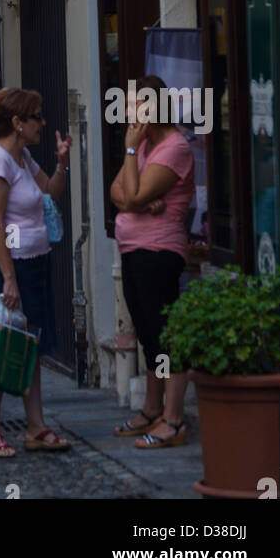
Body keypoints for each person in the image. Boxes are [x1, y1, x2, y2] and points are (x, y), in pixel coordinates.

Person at [0, 87, 73, 457]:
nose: (42, 122)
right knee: (1, 348)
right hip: (11, 267)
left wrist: (62, 161)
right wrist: (8, 278)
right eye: (36, 116)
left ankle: (35, 426)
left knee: (29, 346)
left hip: (36, 262)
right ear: (17, 123)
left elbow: (50, 192)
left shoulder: (23, 157)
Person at [110, 75, 195, 449]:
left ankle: (173, 420)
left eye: (134, 105)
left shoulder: (173, 147)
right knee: (147, 334)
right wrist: (138, 197)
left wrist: (131, 158)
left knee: (164, 334)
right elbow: (117, 192)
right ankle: (152, 407)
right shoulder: (145, 145)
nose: (128, 112)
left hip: (158, 252)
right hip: (133, 249)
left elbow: (133, 195)